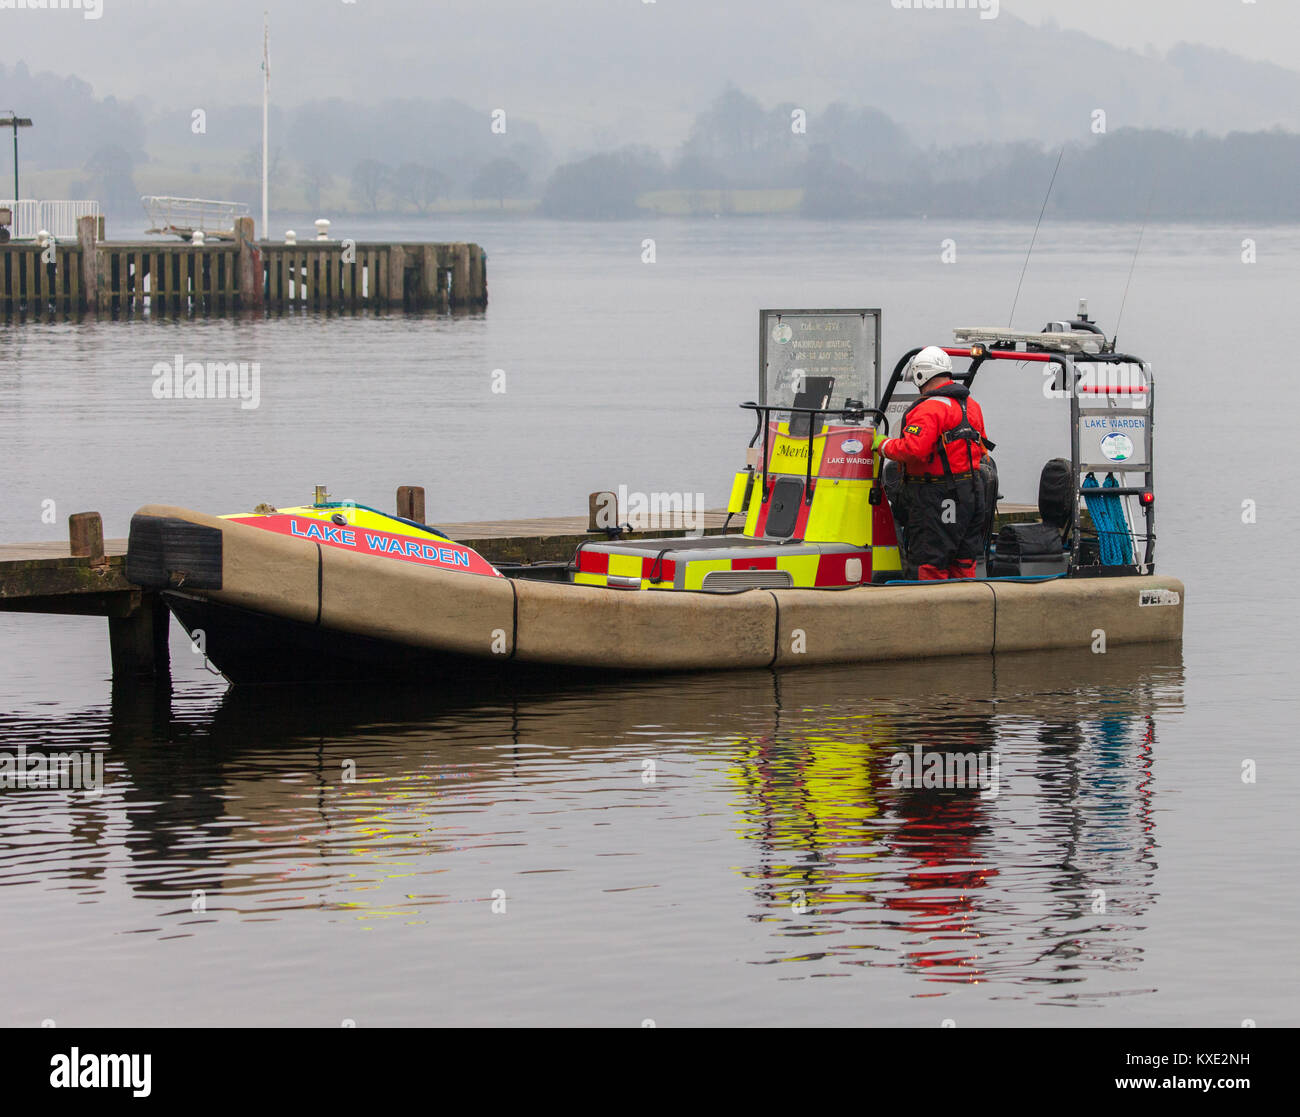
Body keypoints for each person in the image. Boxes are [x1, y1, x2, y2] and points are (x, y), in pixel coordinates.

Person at [872, 346, 994, 580]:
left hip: (937, 495)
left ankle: (930, 614)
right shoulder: (972, 406)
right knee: (964, 559)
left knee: (930, 561)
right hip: (972, 492)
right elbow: (980, 448)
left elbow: (913, 449)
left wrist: (882, 444)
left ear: (921, 375)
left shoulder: (929, 408)